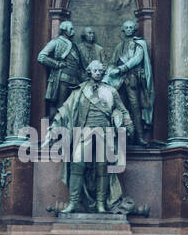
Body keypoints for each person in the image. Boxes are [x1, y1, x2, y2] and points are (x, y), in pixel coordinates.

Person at [49, 60, 133, 214]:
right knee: (77, 163)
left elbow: (122, 110)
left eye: (101, 70)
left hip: (104, 132)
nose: (99, 73)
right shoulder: (79, 91)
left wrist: (127, 124)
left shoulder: (111, 91)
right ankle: (73, 202)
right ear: (89, 72)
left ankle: (101, 204)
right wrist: (54, 126)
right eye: (96, 70)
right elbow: (65, 110)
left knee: (103, 167)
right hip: (84, 132)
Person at [107, 19, 154, 145]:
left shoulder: (140, 44)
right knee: (118, 107)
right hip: (119, 82)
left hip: (132, 80)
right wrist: (109, 73)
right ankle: (120, 137)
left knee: (135, 108)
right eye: (126, 27)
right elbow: (112, 62)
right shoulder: (119, 46)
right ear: (123, 29)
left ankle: (139, 137)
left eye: (130, 27)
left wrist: (122, 68)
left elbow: (136, 59)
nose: (128, 29)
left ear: (134, 29)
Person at [37, 20, 86, 118]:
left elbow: (81, 65)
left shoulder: (75, 45)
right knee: (60, 107)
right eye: (71, 29)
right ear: (64, 30)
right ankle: (56, 129)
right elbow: (41, 57)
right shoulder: (56, 42)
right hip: (62, 80)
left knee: (73, 108)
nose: (73, 31)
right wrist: (57, 64)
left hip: (75, 81)